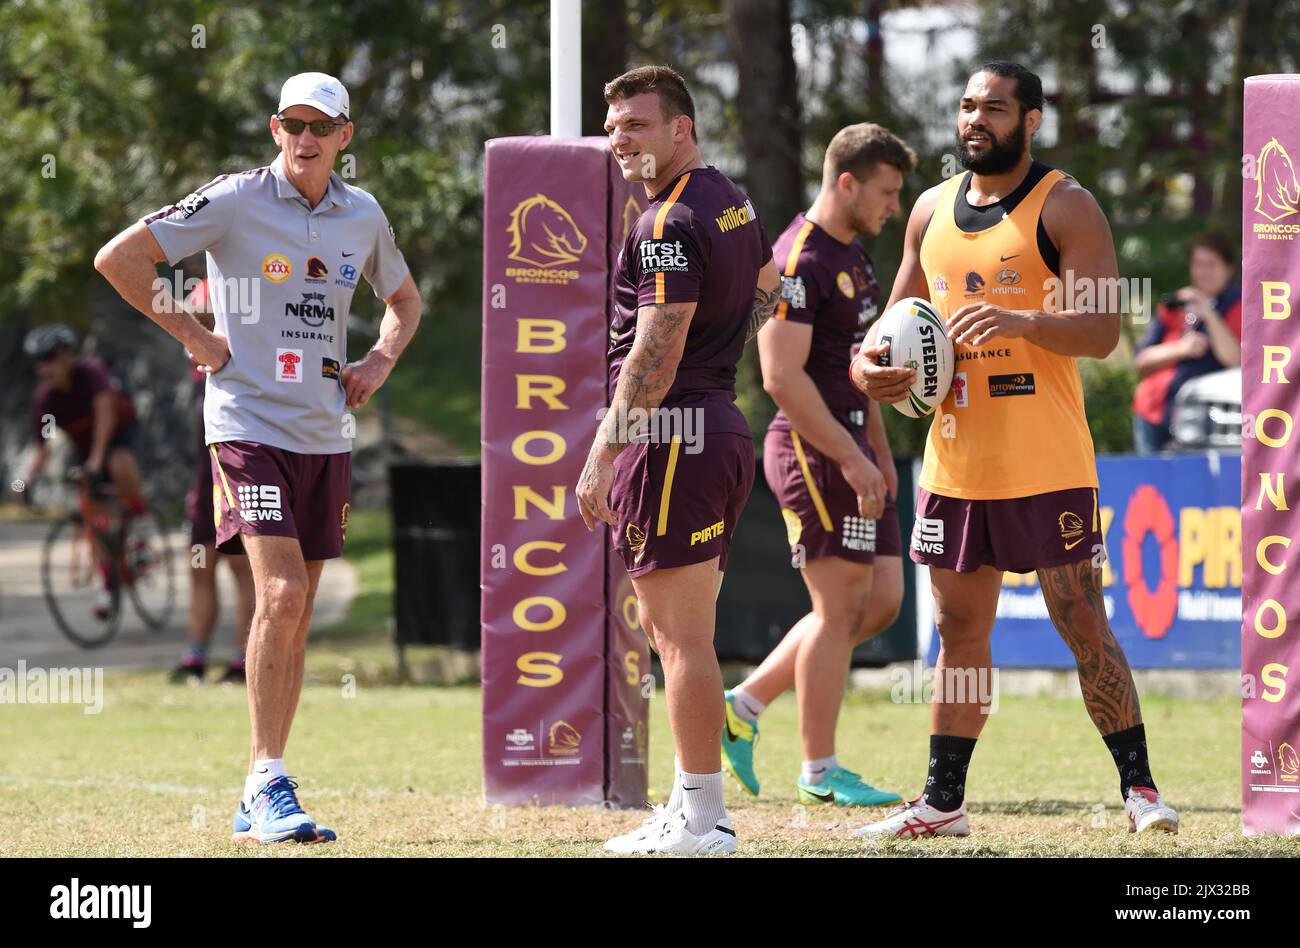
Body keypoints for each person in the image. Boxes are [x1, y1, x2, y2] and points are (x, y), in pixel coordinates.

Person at [850, 62, 1179, 838]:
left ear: (1031, 120)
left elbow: (1104, 332)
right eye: (966, 105)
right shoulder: (928, 210)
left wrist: (1023, 320)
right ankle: (943, 801)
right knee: (959, 631)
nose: (976, 120)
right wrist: (871, 370)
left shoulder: (1066, 205)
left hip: (1046, 460)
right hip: (957, 463)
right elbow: (890, 322)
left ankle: (1141, 791)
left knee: (1080, 619)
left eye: (994, 108)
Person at [95, 72, 422, 845]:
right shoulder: (236, 198)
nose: (305, 140)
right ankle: (272, 780)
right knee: (277, 595)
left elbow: (404, 303)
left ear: (346, 136)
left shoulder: (363, 213)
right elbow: (121, 260)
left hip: (325, 433)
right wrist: (197, 338)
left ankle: (256, 787)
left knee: (298, 608)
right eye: (292, 124)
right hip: (244, 425)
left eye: (321, 127)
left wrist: (378, 359)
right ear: (276, 128)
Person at [576, 64, 780, 855]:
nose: (621, 139)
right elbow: (772, 289)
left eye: (637, 124)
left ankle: (703, 820)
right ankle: (689, 806)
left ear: (680, 130)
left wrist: (601, 455)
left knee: (679, 640)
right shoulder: (730, 200)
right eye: (615, 125)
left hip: (673, 439)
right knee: (684, 634)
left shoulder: (664, 223)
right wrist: (721, 353)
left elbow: (653, 358)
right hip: (718, 427)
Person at [721, 123, 915, 808]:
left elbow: (863, 374)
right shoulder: (798, 257)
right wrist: (849, 458)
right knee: (839, 610)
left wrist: (881, 456)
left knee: (883, 600)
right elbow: (779, 376)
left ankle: (742, 705)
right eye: (887, 193)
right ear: (847, 183)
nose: (894, 206)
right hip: (811, 447)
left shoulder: (856, 257)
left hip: (856, 448)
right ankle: (819, 768)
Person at [20, 324, 146, 618]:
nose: (45, 367)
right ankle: (107, 588)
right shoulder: (46, 401)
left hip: (118, 432)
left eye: (51, 358)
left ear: (66, 357)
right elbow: (43, 448)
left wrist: (96, 461)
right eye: (40, 362)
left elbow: (105, 416)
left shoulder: (91, 373)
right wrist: (24, 482)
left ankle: (140, 518)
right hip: (86, 447)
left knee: (118, 464)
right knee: (97, 518)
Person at [173, 279, 255, 685]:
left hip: (234, 474)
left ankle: (244, 657)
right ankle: (196, 656)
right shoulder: (198, 363)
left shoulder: (239, 355)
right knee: (200, 565)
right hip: (204, 479)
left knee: (242, 567)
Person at [1132, 232, 1242, 453]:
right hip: (1152, 410)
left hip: (1201, 419)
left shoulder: (1237, 304)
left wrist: (1208, 313)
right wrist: (1181, 349)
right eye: (1198, 264)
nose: (1204, 272)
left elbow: (1234, 360)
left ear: (1229, 268)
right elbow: (1142, 359)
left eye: (1211, 264)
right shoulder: (1175, 304)